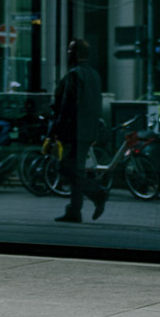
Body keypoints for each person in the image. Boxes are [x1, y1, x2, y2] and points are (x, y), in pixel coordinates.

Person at [48, 38, 107, 223]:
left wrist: (54, 131)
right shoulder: (94, 75)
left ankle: (97, 193)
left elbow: (65, 107)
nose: (68, 53)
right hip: (88, 131)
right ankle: (74, 210)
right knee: (76, 169)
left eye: (70, 50)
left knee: (66, 168)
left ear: (77, 53)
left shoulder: (74, 75)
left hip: (73, 131)